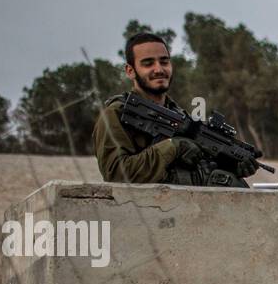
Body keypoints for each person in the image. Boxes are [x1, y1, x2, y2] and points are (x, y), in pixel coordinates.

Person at [91, 32, 253, 186]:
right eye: (148, 63)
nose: (159, 69)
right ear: (130, 70)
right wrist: (172, 147)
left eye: (164, 62)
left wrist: (231, 165)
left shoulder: (180, 116)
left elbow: (197, 167)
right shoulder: (116, 114)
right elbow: (116, 173)